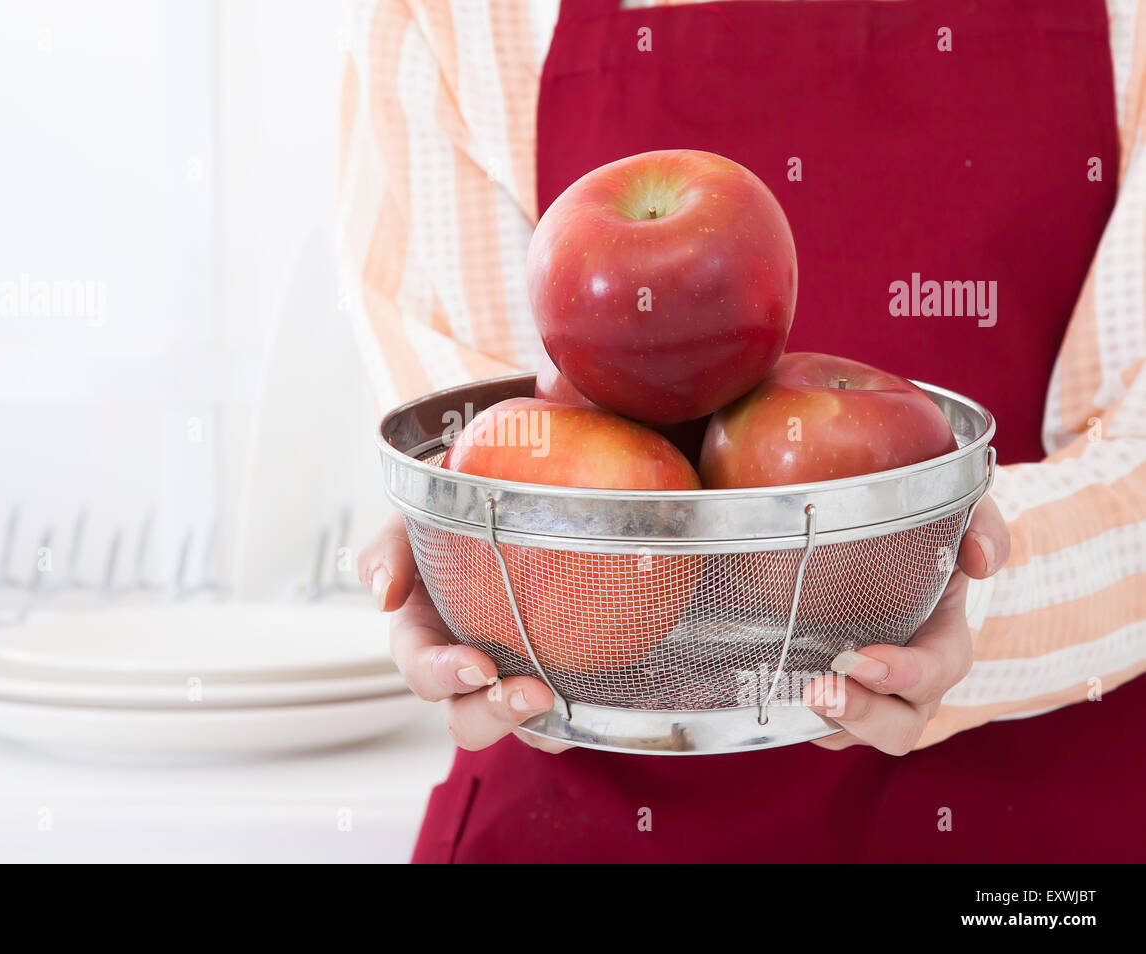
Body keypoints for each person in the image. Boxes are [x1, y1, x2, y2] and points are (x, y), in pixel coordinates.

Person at [341, 0, 1146, 862]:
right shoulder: (451, 16)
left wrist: (956, 579)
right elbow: (492, 443)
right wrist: (460, 561)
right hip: (575, 817)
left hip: (1023, 822)